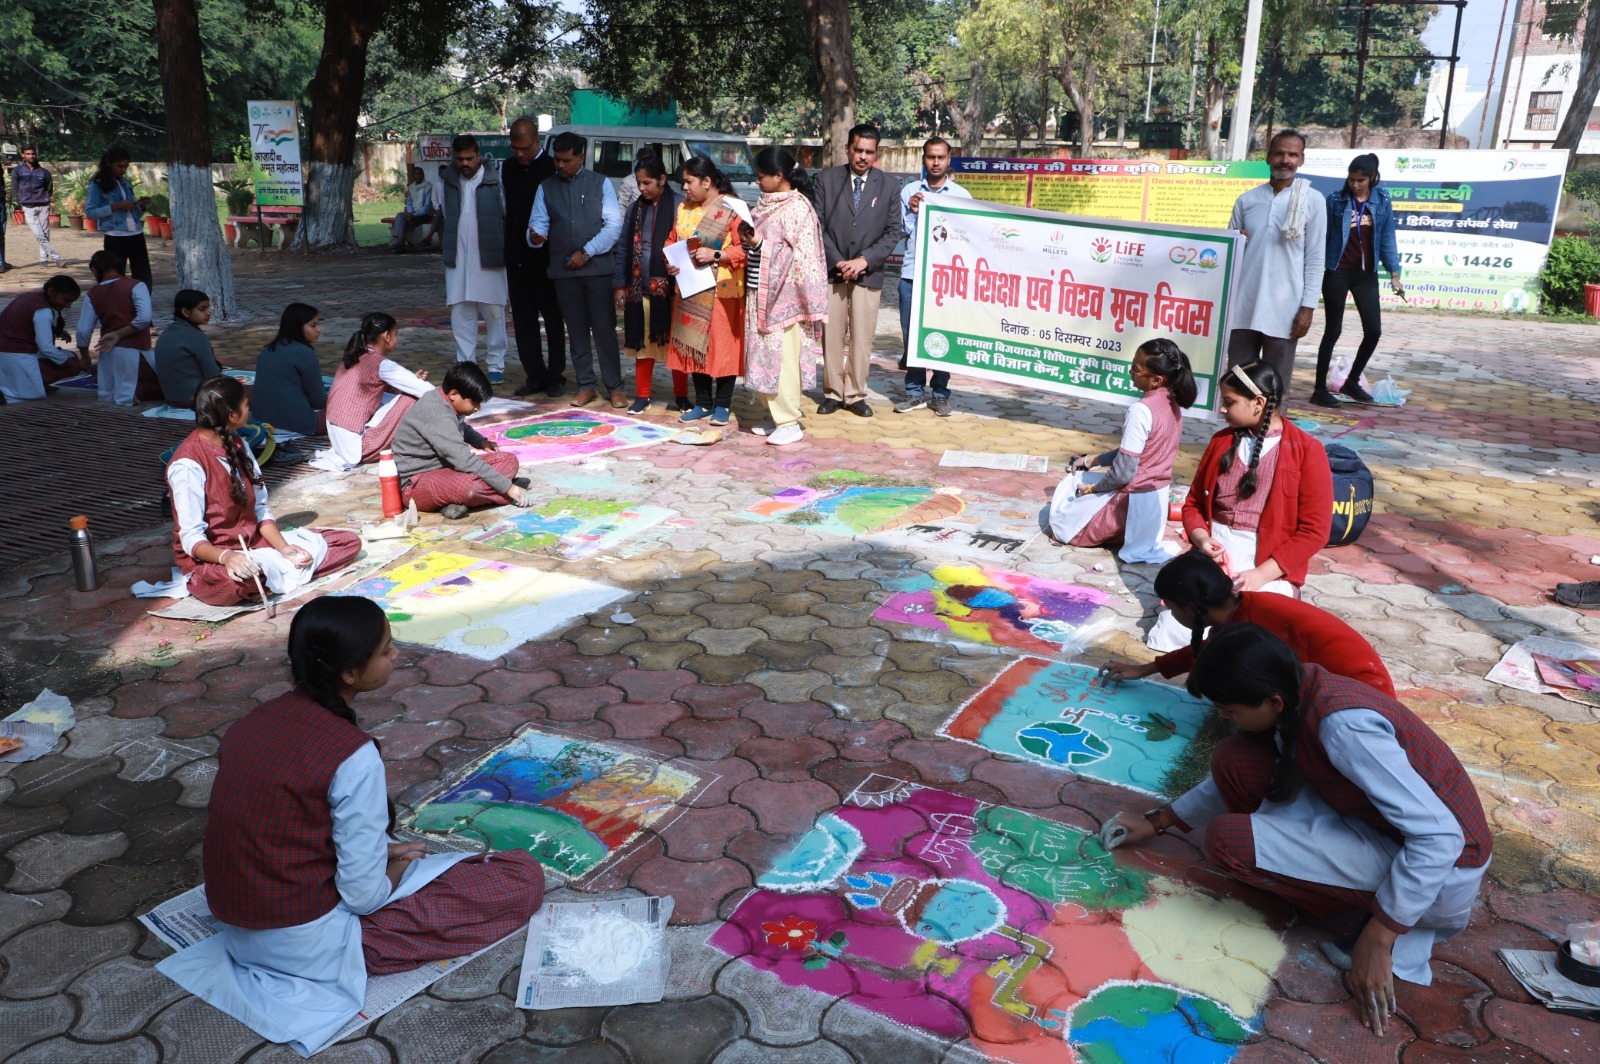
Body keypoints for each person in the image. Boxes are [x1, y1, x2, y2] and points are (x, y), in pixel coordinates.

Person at [157, 596, 544, 1055]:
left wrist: (381, 851)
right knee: (519, 878)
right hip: (304, 944)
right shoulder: (351, 755)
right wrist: (391, 870)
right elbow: (363, 898)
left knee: (398, 850)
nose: (396, 654)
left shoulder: (253, 723)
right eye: (385, 649)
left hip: (237, 917)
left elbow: (288, 826)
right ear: (349, 674)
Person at [1115, 625, 1490, 1030]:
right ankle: (1327, 886)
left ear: (1272, 702)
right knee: (1235, 758)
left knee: (1229, 841)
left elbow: (1440, 837)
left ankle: (1366, 915)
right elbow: (1248, 765)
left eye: (1230, 710)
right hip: (1376, 826)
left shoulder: (1344, 726)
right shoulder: (1297, 685)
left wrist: (1380, 939)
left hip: (1443, 871)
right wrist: (1158, 822)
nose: (1224, 717)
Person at [1147, 361, 1332, 651]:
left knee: (1253, 637)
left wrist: (1260, 575)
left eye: (1229, 402)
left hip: (1269, 564)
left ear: (1258, 403)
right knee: (1175, 631)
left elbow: (1315, 531)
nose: (1222, 409)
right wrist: (1202, 539)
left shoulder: (1307, 450)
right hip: (1217, 553)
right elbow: (1193, 504)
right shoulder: (1221, 441)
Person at [166, 376, 361, 606]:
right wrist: (227, 557)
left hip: (256, 547)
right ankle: (270, 578)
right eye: (246, 404)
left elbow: (260, 508)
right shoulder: (187, 464)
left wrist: (285, 548)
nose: (250, 409)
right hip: (215, 559)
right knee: (235, 582)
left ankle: (275, 576)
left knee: (346, 541)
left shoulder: (239, 444)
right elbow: (190, 537)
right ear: (232, 415)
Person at [1103, 551, 1394, 695]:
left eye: (1170, 605)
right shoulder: (1237, 610)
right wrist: (1144, 669)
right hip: (1349, 690)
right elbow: (1208, 648)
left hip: (1363, 697)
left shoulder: (1258, 621)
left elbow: (1286, 688)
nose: (1166, 610)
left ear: (1191, 607)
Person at [1048, 338, 1196, 563]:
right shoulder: (1172, 402)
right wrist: (1093, 460)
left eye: (1135, 369)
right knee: (1081, 479)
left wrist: (1092, 489)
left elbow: (1122, 474)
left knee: (1063, 528)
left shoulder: (1141, 410)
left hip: (1131, 501)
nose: (1130, 372)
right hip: (1153, 503)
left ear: (1156, 380)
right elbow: (1139, 450)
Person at [527, 131, 624, 409]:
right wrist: (535, 237)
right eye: (557, 159)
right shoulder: (546, 186)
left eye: (566, 160)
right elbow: (538, 223)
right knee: (577, 331)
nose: (560, 165)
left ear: (581, 157)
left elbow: (614, 226)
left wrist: (587, 252)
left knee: (604, 329)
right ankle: (586, 385)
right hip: (564, 273)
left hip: (598, 271)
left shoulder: (601, 183)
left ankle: (615, 387)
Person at [814, 124, 902, 417]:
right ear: (847, 149)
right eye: (858, 150)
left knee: (862, 338)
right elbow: (817, 225)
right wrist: (839, 260)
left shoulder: (889, 185)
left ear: (877, 154)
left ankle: (855, 394)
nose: (863, 157)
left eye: (869, 152)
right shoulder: (826, 180)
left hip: (869, 273)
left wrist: (864, 260)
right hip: (833, 271)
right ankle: (832, 392)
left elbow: (893, 232)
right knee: (832, 335)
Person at [742, 147, 827, 447]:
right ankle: (773, 415)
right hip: (759, 291)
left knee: (783, 361)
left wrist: (761, 243)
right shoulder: (764, 205)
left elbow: (802, 258)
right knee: (763, 355)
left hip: (784, 299)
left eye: (761, 177)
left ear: (779, 176)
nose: (758, 183)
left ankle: (789, 421)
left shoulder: (797, 208)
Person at [1226, 130, 1325, 387]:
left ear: (1301, 160)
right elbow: (1228, 256)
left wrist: (1307, 308)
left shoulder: (1312, 201)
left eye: (1293, 154)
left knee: (1276, 383)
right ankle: (1238, 428)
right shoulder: (1247, 200)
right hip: (1243, 304)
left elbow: (1315, 258)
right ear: (1268, 157)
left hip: (1286, 307)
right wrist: (1237, 241)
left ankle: (1271, 428)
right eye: (1280, 153)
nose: (1286, 160)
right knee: (1238, 379)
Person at [1313, 153, 1404, 408]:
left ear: (1373, 178)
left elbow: (1387, 237)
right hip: (1337, 270)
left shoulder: (1382, 200)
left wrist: (1394, 274)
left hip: (1366, 274)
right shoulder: (1336, 200)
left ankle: (1352, 382)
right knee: (1333, 330)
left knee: (1374, 331)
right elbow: (1323, 236)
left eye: (1361, 180)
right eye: (1352, 179)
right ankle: (1319, 389)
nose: (1355, 184)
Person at [664, 157, 746, 427]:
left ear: (707, 181)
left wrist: (716, 254)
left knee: (722, 346)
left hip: (723, 290)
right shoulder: (684, 207)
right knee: (693, 343)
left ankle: (722, 405)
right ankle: (703, 403)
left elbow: (745, 249)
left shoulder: (733, 208)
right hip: (690, 288)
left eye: (689, 182)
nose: (685, 187)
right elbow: (672, 240)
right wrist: (671, 262)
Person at [391, 361, 532, 519]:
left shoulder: (443, 399)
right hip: (417, 483)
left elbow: (459, 426)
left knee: (508, 460)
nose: (477, 408)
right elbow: (463, 460)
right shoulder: (437, 413)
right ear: (454, 395)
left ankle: (455, 502)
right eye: (474, 402)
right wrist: (508, 488)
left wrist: (480, 441)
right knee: (469, 488)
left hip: (448, 470)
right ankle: (499, 492)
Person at [894, 137, 970, 417]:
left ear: (950, 159)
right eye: (930, 157)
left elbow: (969, 238)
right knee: (911, 335)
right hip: (912, 274)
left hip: (945, 280)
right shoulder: (909, 192)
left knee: (942, 335)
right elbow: (899, 233)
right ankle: (914, 393)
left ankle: (940, 393)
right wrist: (913, 211)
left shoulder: (961, 195)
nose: (935, 162)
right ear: (923, 159)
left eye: (940, 157)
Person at [613, 156, 687, 413]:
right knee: (642, 343)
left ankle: (682, 396)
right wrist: (620, 285)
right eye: (639, 182)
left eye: (647, 182)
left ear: (663, 180)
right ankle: (642, 396)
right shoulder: (635, 208)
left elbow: (689, 245)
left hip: (673, 290)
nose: (642, 188)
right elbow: (624, 246)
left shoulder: (680, 205)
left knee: (675, 344)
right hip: (639, 289)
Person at [502, 118, 566, 398]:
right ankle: (534, 375)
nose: (520, 154)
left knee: (552, 320)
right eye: (515, 148)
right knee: (523, 321)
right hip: (517, 257)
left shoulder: (553, 167)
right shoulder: (507, 167)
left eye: (525, 148)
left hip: (547, 259)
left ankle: (555, 376)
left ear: (537, 141)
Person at [438, 135, 510, 384]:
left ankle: (495, 365)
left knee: (494, 313)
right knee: (461, 314)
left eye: (469, 158)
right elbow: (448, 216)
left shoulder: (496, 181)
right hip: (458, 260)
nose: (465, 163)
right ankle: (466, 364)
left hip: (489, 258)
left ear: (479, 155)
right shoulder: (446, 183)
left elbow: (504, 214)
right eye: (460, 159)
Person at [319, 313, 432, 469]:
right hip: (358, 448)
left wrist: (411, 381)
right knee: (414, 400)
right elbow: (428, 391)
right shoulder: (382, 365)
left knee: (397, 390)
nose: (396, 339)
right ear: (386, 336)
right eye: (396, 334)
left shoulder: (356, 355)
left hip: (340, 441)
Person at [77, 249, 160, 406]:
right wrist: (119, 334)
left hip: (108, 353)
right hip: (136, 351)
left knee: (109, 394)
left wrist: (85, 356)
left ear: (95, 270)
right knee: (139, 392)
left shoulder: (93, 294)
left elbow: (82, 331)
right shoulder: (136, 286)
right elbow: (144, 318)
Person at [0, 275, 85, 402]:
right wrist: (71, 363)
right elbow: (46, 348)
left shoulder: (28, 298)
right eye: (66, 300)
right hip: (20, 357)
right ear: (51, 292)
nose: (68, 306)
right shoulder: (43, 310)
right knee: (71, 358)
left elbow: (25, 323)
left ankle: (36, 384)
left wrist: (55, 331)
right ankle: (37, 384)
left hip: (6, 356)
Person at [85, 144, 154, 293]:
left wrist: (140, 205)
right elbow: (90, 213)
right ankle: (118, 302)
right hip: (115, 236)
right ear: (108, 163)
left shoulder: (125, 183)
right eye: (119, 166)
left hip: (136, 234)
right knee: (116, 274)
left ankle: (143, 302)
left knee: (143, 274)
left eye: (125, 167)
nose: (122, 170)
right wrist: (116, 206)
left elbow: (133, 213)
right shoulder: (97, 184)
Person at [253, 303, 329, 437]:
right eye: (313, 325)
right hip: (297, 424)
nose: (319, 329)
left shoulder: (268, 349)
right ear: (297, 327)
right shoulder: (305, 353)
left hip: (263, 422)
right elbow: (319, 401)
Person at [153, 290, 223, 408]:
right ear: (186, 312)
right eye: (202, 309)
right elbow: (213, 375)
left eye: (207, 309)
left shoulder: (166, 333)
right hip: (193, 398)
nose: (208, 313)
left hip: (172, 397)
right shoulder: (196, 336)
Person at [11, 146, 62, 267]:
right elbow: (15, 188)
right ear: (23, 155)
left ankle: (43, 259)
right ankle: (56, 257)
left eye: (33, 154)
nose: (31, 156)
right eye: (28, 154)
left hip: (43, 205)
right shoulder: (17, 171)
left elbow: (49, 188)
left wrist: (45, 198)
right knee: (38, 233)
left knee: (45, 232)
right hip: (28, 206)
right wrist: (21, 200)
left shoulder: (44, 172)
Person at [389, 166, 436, 253]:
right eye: (415, 174)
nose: (417, 176)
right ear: (413, 176)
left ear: (422, 175)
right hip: (412, 213)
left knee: (403, 219)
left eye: (419, 174)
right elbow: (409, 202)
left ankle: (400, 243)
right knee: (400, 216)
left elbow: (426, 206)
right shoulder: (411, 187)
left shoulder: (428, 187)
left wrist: (413, 215)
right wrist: (410, 213)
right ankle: (401, 243)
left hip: (424, 215)